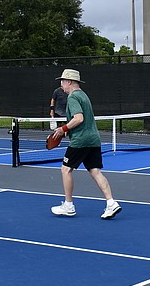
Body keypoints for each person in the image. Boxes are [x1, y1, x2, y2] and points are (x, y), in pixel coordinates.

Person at [47, 69, 122, 219]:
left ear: (69, 82)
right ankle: (111, 203)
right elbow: (83, 120)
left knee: (65, 169)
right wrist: (68, 130)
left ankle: (68, 205)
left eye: (62, 81)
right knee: (95, 171)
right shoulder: (83, 95)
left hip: (81, 141)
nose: (61, 85)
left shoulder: (73, 97)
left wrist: (63, 129)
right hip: (93, 139)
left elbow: (79, 118)